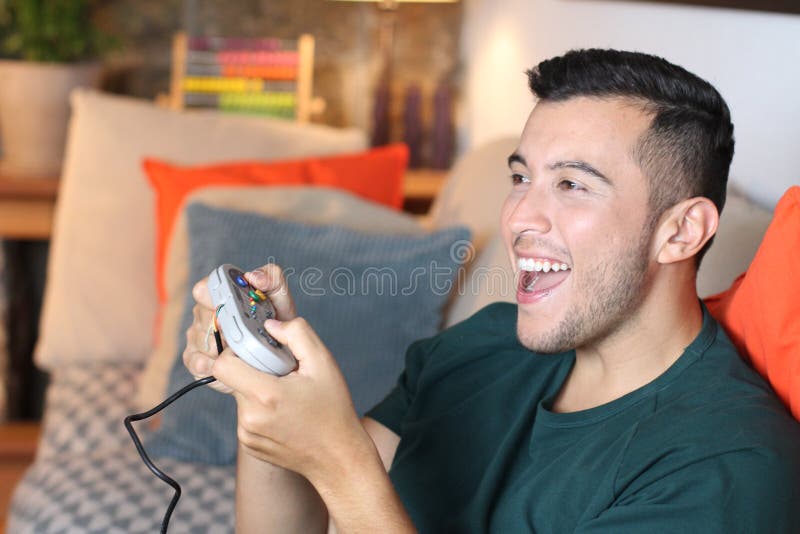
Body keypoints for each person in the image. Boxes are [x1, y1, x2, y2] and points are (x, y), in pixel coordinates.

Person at [183, 49, 800, 533]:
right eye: (521, 177)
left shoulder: (726, 469)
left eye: (572, 185)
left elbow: (343, 477)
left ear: (681, 231)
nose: (519, 217)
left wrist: (340, 462)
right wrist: (267, 384)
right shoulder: (483, 343)